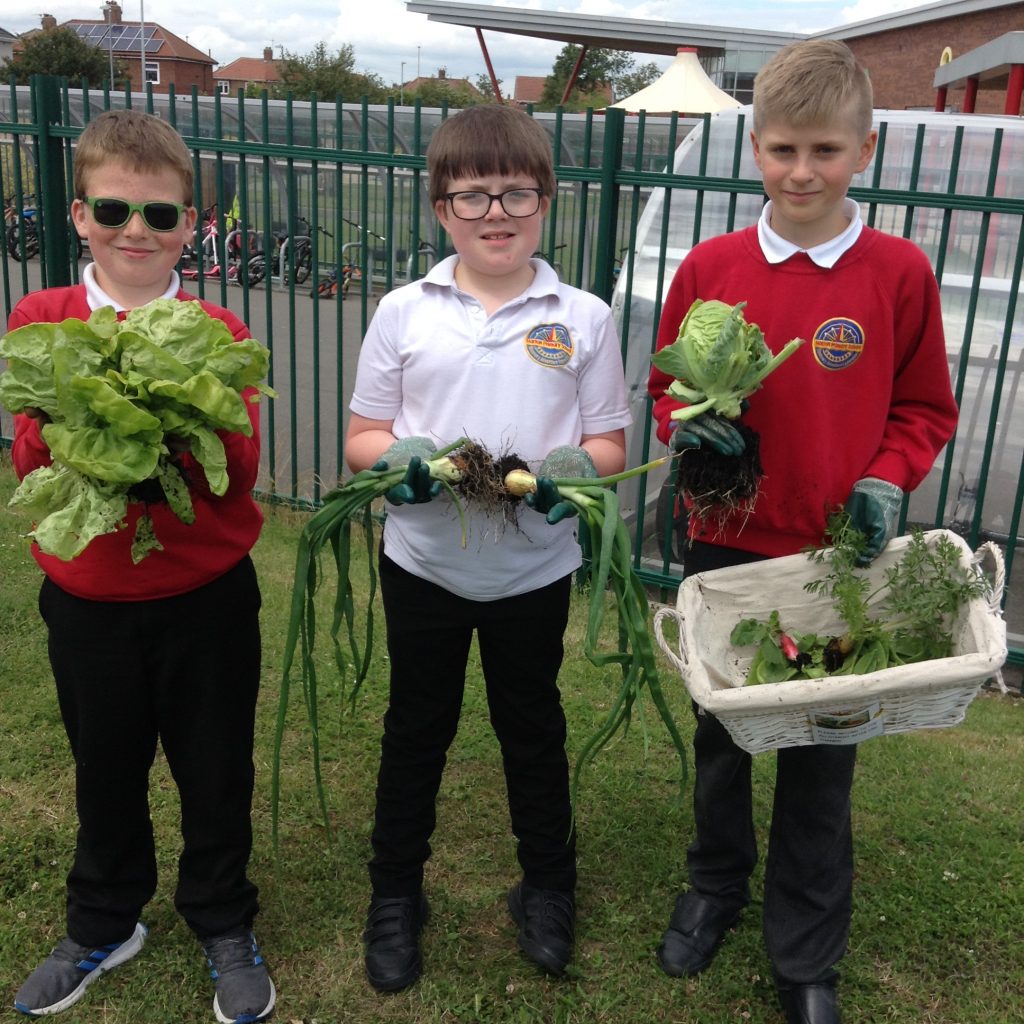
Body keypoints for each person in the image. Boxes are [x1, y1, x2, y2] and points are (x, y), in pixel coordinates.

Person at [647, 40, 958, 1024]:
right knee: (725, 736)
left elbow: (923, 409)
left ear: (864, 149)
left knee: (824, 752)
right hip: (726, 544)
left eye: (824, 149)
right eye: (782, 148)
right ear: (754, 146)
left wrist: (884, 477)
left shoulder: (896, 273)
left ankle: (804, 949)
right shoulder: (712, 266)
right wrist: (687, 422)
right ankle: (713, 886)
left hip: (835, 559)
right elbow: (666, 390)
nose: (801, 171)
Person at [344, 103, 631, 992]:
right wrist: (397, 464)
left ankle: (546, 886)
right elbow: (362, 435)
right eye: (472, 196)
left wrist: (579, 466)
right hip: (424, 559)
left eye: (515, 192)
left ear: (546, 200)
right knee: (415, 729)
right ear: (441, 207)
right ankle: (397, 893)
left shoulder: (582, 316)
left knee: (532, 727)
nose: (494, 212)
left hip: (532, 566)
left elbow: (612, 442)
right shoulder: (405, 310)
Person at [7, 109, 275, 1024]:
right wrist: (99, 428)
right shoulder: (43, 321)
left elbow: (236, 468)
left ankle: (221, 917)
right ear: (80, 214)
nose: (137, 231)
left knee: (216, 767)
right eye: (115, 209)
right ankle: (103, 919)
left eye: (161, 216)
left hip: (205, 598)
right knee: (105, 766)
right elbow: (33, 460)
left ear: (191, 226)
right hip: (88, 600)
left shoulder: (216, 326)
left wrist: (172, 436)